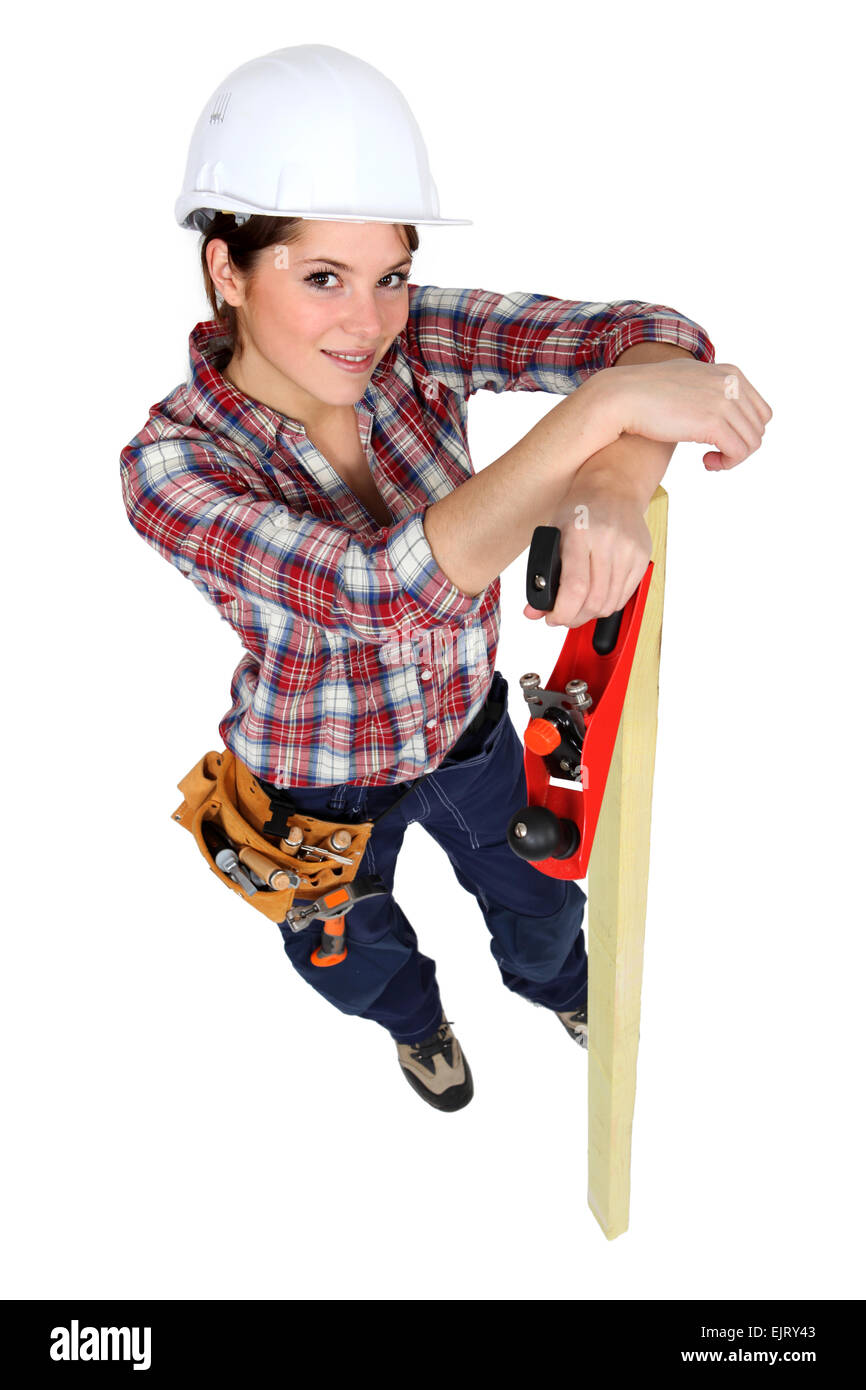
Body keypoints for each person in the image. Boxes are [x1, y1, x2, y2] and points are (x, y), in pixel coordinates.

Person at [120, 45, 772, 1112]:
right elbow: (383, 593)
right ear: (226, 270)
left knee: (544, 892)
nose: (366, 321)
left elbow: (655, 340)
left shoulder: (412, 341)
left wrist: (608, 482)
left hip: (467, 731)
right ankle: (415, 1026)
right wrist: (596, 416)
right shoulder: (170, 465)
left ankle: (558, 989)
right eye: (320, 277)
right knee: (343, 949)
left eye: (388, 275)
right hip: (312, 778)